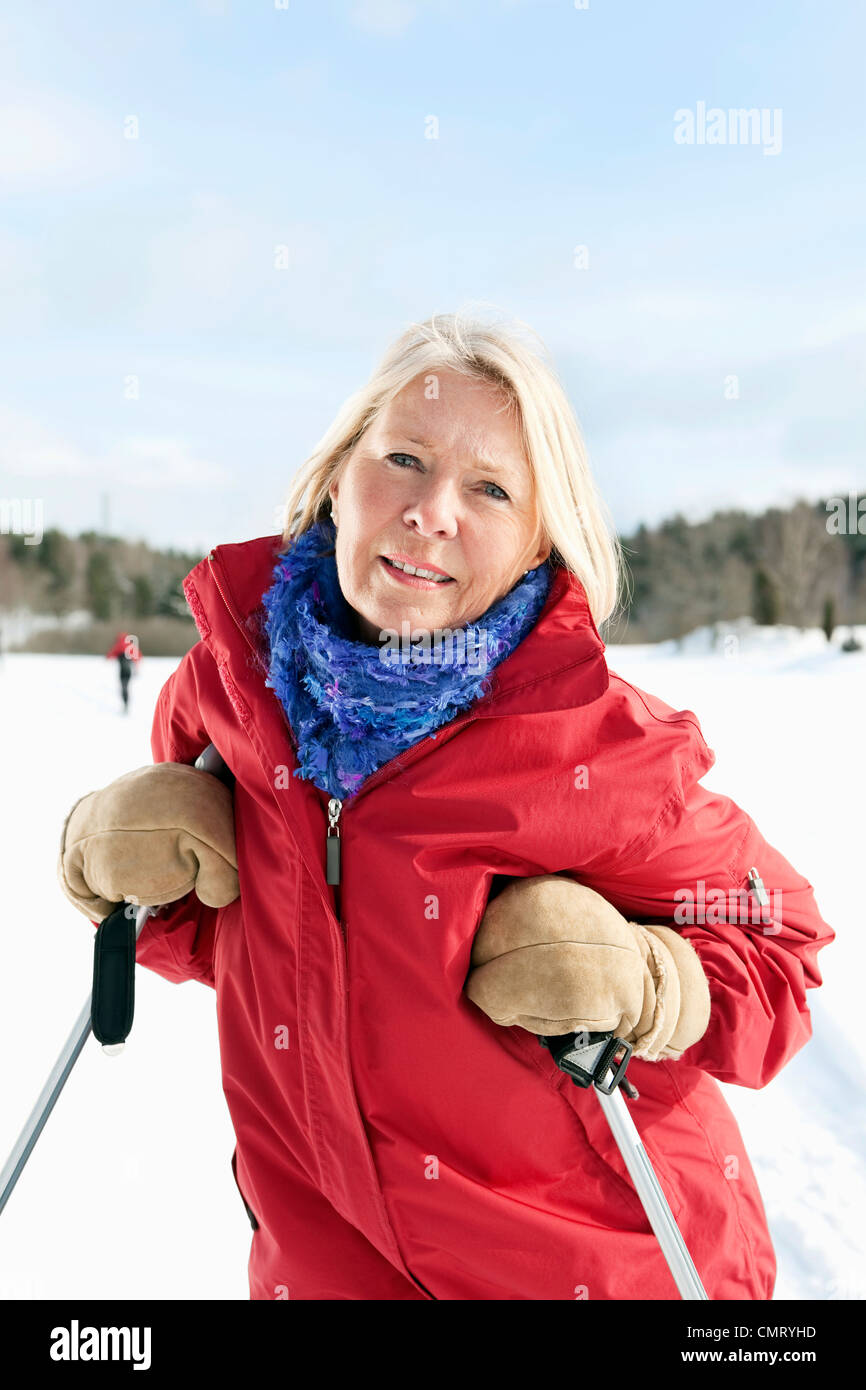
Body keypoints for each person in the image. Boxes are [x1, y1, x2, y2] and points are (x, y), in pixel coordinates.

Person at [59, 311, 834, 1300]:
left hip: (601, 1270)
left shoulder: (591, 741)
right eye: (404, 458)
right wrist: (115, 865)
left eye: (489, 488)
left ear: (536, 539)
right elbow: (255, 942)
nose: (432, 510)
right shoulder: (226, 697)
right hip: (320, 1259)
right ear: (341, 475)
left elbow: (777, 943)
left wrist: (647, 978)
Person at [105, 631, 140, 712]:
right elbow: (138, 657)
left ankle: (125, 703)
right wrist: (137, 668)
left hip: (122, 671)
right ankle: (127, 703)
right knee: (126, 687)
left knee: (123, 687)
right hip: (129, 671)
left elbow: (109, 656)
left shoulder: (118, 646)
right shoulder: (131, 647)